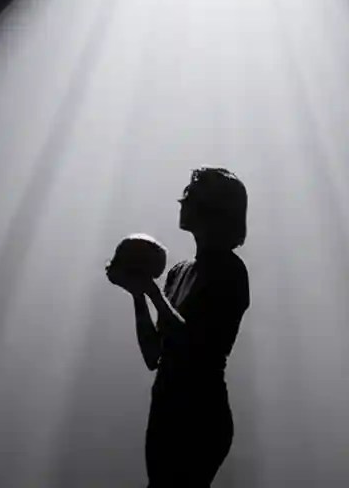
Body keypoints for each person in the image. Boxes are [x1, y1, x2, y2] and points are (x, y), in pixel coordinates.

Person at [106, 167, 251, 488]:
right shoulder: (178, 272)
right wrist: (137, 294)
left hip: (199, 411)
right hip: (166, 406)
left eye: (190, 197)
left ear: (213, 209)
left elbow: (193, 344)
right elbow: (153, 355)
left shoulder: (230, 271)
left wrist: (151, 290)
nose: (181, 203)